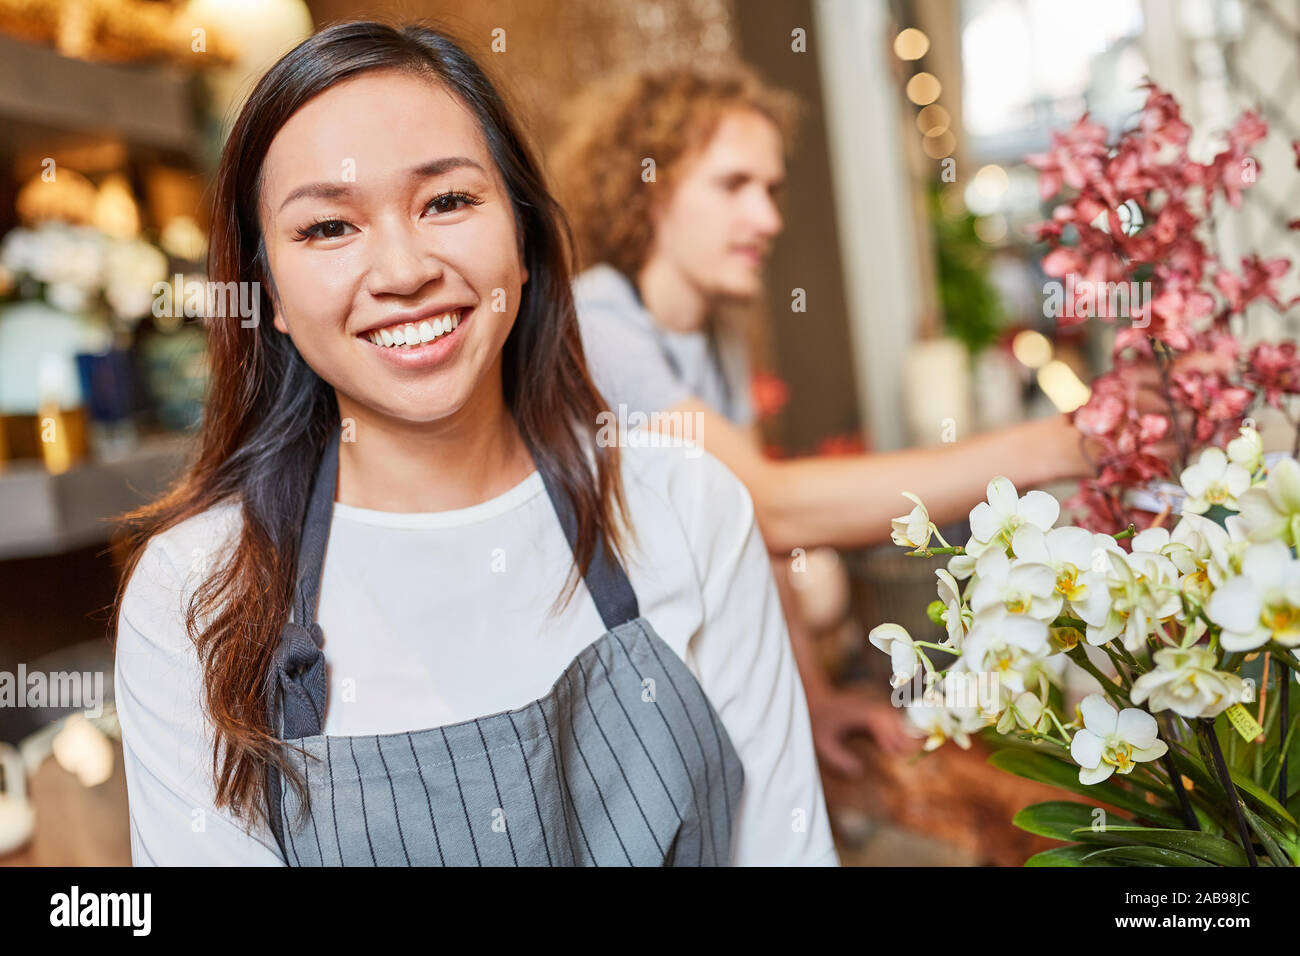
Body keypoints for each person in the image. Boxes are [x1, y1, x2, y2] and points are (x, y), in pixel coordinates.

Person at [110, 22, 837, 866]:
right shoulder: (194, 593)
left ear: (523, 240)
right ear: (267, 292)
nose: (403, 269)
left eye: (446, 201)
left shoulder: (689, 507)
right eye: (327, 229)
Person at [549, 64, 1104, 777]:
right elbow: (774, 507)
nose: (769, 220)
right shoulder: (598, 323)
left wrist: (813, 700)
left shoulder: (712, 331)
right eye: (733, 185)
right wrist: (1051, 445)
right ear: (646, 190)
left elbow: (748, 531)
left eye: (771, 190)